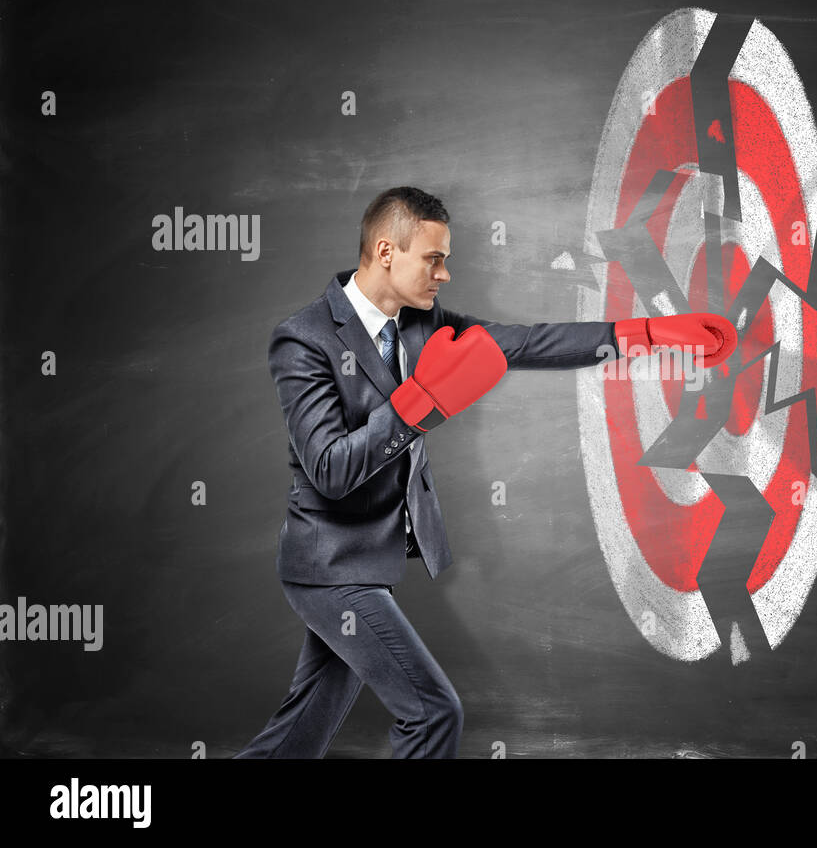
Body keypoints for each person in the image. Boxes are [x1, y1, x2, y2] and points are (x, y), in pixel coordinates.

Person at [234, 186, 735, 758]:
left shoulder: (423, 325)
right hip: (328, 569)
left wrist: (638, 337)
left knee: (296, 739)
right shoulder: (305, 339)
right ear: (386, 251)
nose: (444, 274)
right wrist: (417, 403)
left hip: (367, 564)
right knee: (433, 714)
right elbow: (329, 470)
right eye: (434, 258)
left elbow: (525, 344)